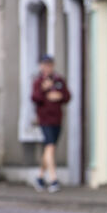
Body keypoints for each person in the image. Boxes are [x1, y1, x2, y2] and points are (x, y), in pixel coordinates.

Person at [31, 53, 71, 192]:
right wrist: (44, 89)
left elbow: (67, 96)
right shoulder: (38, 81)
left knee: (49, 147)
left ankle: (40, 176)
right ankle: (53, 179)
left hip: (57, 118)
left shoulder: (58, 80)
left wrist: (59, 96)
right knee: (50, 146)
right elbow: (35, 98)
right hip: (45, 119)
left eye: (49, 65)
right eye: (45, 65)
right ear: (41, 66)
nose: (47, 68)